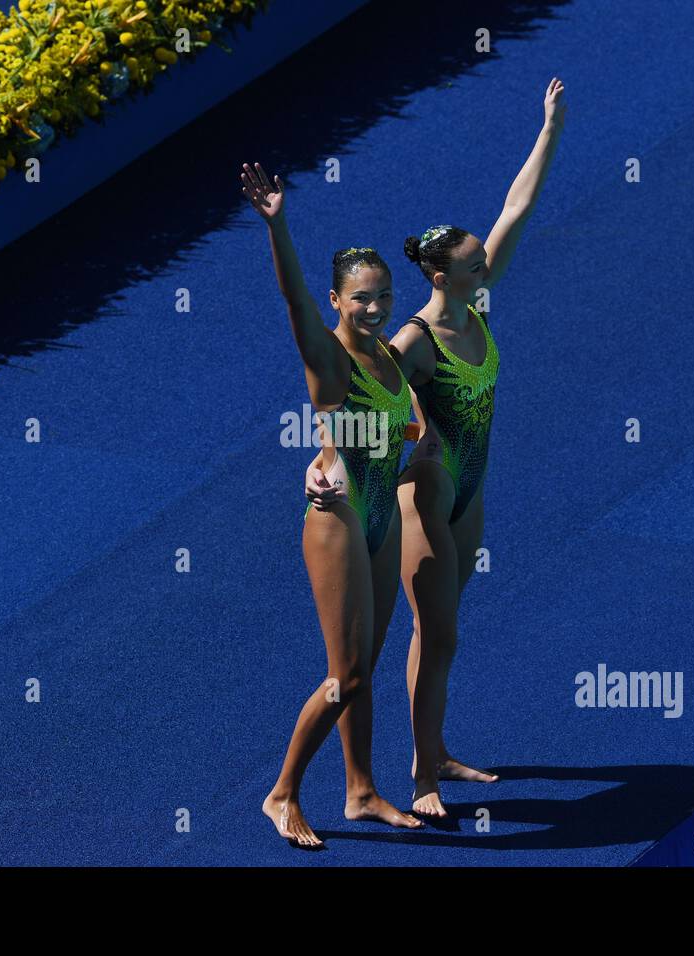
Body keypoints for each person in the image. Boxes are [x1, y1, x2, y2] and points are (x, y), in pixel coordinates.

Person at [306, 78, 567, 817]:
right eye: (476, 262)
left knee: (444, 638)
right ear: (439, 275)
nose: (490, 266)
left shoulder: (475, 308)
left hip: (472, 492)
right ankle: (413, 784)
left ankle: (434, 754)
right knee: (434, 627)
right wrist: (325, 459)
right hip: (426, 496)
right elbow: (364, 398)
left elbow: (518, 208)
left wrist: (549, 128)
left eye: (485, 260)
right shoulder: (413, 342)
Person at [240, 162, 423, 846]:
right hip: (339, 525)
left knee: (365, 671)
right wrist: (278, 224)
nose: (373, 309)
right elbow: (293, 304)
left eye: (382, 297)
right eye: (359, 299)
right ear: (336, 301)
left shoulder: (389, 359)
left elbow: (398, 430)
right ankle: (281, 793)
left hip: (378, 520)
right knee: (343, 676)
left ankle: (361, 791)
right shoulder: (332, 361)